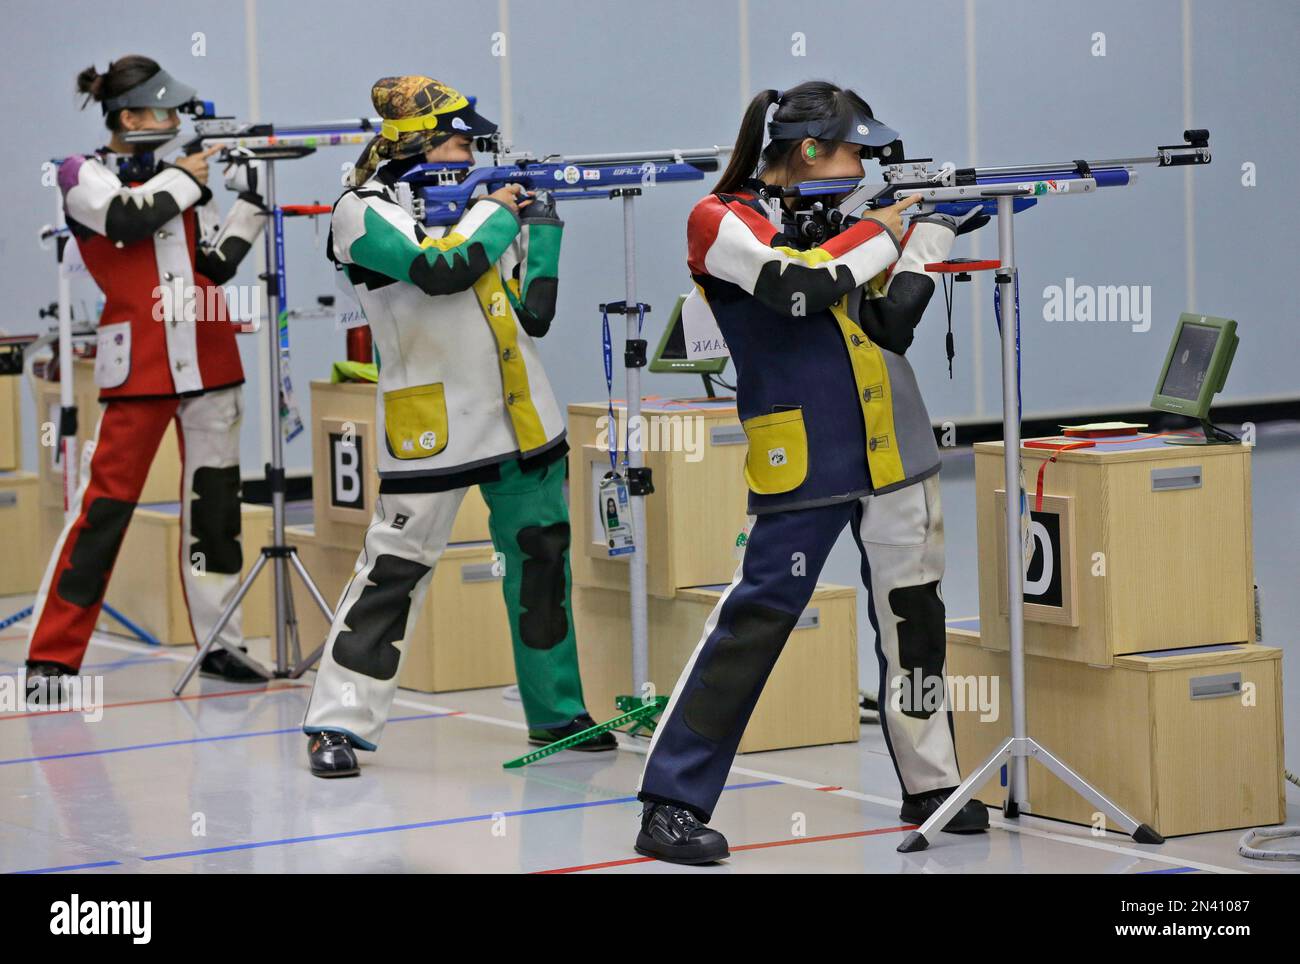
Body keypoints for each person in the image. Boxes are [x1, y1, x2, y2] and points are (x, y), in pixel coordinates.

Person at [634, 82, 991, 864]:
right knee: (754, 623)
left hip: (896, 448)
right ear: (807, 150)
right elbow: (796, 288)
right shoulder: (720, 220)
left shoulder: (836, 227)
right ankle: (670, 802)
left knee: (916, 623)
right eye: (854, 149)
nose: (862, 164)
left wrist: (927, 241)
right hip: (805, 457)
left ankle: (932, 784)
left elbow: (889, 325)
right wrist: (883, 232)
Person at [302, 75, 613, 777]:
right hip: (432, 432)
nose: (473, 153)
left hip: (523, 421)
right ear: (418, 143)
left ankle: (556, 711)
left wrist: (544, 227)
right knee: (392, 574)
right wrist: (494, 211)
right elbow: (439, 269)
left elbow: (533, 314)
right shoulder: (360, 211)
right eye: (461, 141)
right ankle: (336, 722)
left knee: (541, 569)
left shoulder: (478, 209)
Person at [25, 55, 267, 698]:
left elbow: (214, 270)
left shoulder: (175, 180)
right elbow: (129, 218)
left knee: (215, 515)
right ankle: (52, 657)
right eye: (163, 110)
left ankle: (222, 644)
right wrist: (189, 179)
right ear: (128, 117)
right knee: (102, 512)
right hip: (138, 369)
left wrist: (249, 204)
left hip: (212, 361)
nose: (175, 120)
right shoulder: (82, 174)